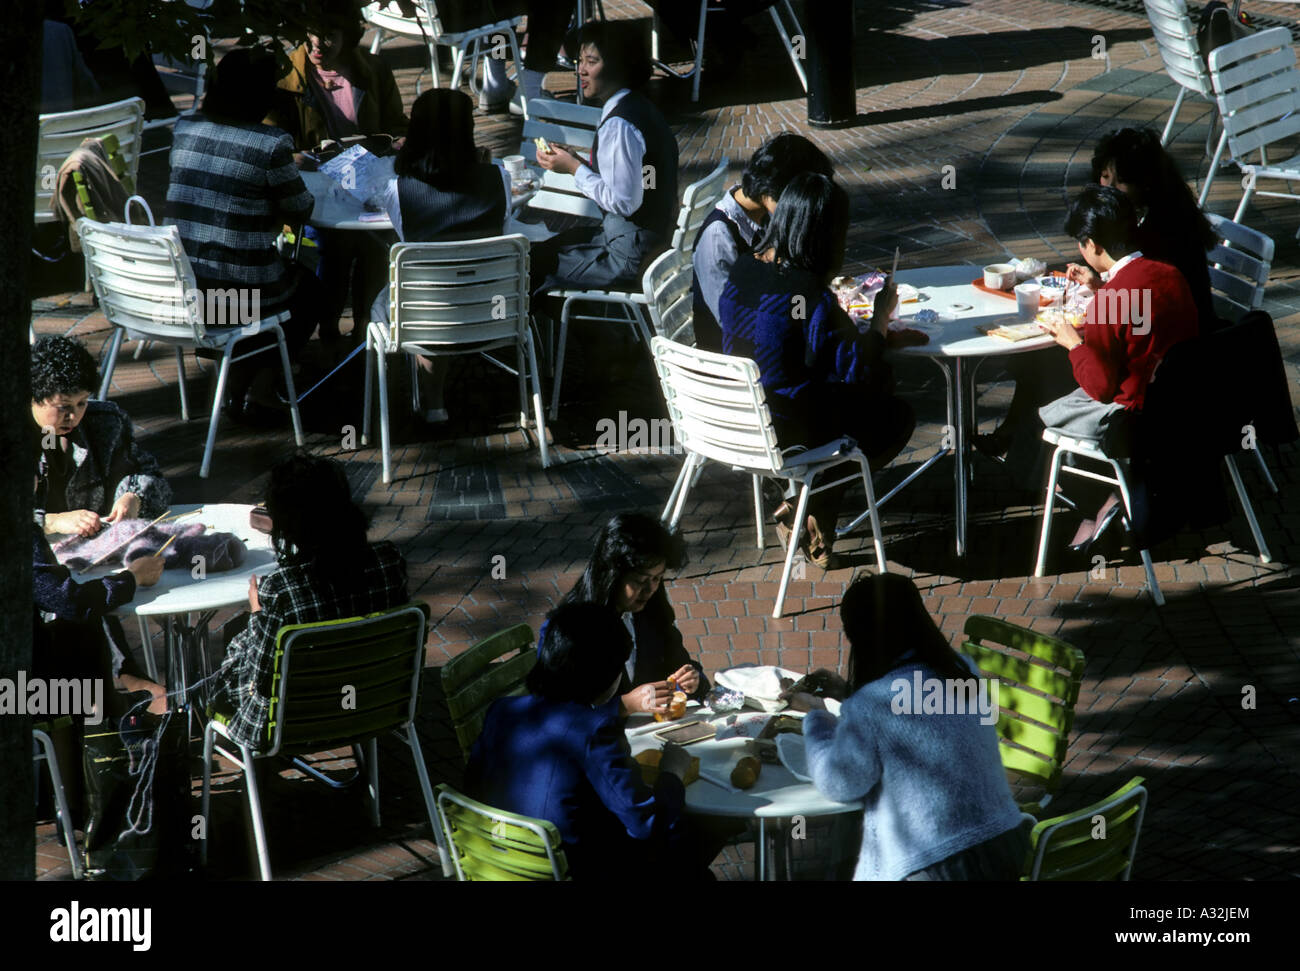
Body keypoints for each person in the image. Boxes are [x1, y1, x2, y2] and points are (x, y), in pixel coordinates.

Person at [978, 127, 1219, 474]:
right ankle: (1019, 445)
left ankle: (1038, 466)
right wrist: (1105, 289)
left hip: (1157, 382)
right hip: (1171, 356)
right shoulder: (1145, 232)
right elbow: (1140, 304)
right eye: (1104, 177)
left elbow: (1133, 322)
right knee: (1046, 360)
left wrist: (1083, 334)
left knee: (1051, 362)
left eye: (1118, 182)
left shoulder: (1162, 235)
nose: (1107, 188)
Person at [717, 172, 915, 568]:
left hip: (735, 416)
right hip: (784, 426)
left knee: (856, 405)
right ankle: (809, 506)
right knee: (892, 413)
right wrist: (878, 322)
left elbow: (783, 342)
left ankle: (810, 514)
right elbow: (856, 369)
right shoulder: (809, 294)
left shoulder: (742, 269)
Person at [800, 573, 1029, 880]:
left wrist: (816, 719)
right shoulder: (963, 671)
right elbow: (915, 705)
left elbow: (839, 783)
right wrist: (849, 695)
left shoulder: (869, 706)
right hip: (1008, 847)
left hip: (935, 867)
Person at [465, 601, 698, 880]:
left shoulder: (501, 711)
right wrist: (672, 773)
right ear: (605, 678)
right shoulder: (593, 732)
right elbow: (645, 823)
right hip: (568, 869)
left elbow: (472, 788)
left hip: (494, 866)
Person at [1036, 184, 1199, 549]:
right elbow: (1143, 323)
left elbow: (1101, 386)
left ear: (1093, 244)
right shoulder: (1169, 273)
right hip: (1186, 404)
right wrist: (1102, 287)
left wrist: (1073, 343)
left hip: (1138, 420)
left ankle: (1099, 498)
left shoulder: (1111, 299)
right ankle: (1108, 498)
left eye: (1081, 242)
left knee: (1048, 414)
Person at [210, 454, 407, 749]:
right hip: (374, 706)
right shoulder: (389, 560)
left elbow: (261, 681)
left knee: (227, 664)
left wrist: (256, 614)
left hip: (291, 724)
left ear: (285, 526)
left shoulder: (280, 591)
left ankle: (260, 785)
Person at [167, 48, 318, 425]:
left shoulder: (185, 126)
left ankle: (236, 381)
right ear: (262, 95)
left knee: (270, 280)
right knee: (310, 292)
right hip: (229, 304)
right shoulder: (270, 144)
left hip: (183, 295)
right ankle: (260, 389)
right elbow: (301, 208)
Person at [270, 0, 409, 343]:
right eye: (311, 35)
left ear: (348, 37)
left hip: (367, 179)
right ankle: (329, 328)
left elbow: (395, 123)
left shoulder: (373, 69)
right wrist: (293, 156)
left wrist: (400, 139)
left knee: (377, 242)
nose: (317, 45)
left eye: (328, 38)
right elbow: (269, 139)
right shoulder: (286, 76)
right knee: (338, 244)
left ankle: (365, 326)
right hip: (314, 186)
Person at [369, 88, 510, 423]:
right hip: (490, 309)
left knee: (401, 289)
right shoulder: (498, 177)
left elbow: (370, 197)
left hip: (424, 311)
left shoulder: (396, 188)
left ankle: (413, 403)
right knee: (447, 279)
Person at [529, 20, 680, 299]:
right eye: (579, 60)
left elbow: (624, 201)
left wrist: (573, 168)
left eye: (591, 61)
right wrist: (577, 162)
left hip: (626, 256)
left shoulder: (619, 125)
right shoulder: (641, 107)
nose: (580, 70)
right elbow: (632, 183)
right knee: (544, 251)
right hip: (651, 242)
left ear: (617, 66)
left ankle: (550, 340)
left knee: (529, 266)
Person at [692, 132, 834, 351]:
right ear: (777, 191)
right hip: (734, 359)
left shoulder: (765, 215)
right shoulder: (718, 236)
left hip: (770, 332)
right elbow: (731, 321)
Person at [557, 512, 709, 716]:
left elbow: (681, 662)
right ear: (611, 576)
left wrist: (693, 679)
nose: (650, 590)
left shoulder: (649, 611)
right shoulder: (571, 628)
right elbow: (561, 716)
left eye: (657, 578)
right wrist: (626, 705)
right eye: (640, 580)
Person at [31, 336, 171, 539]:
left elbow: (153, 479)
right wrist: (52, 521)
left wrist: (134, 498)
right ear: (33, 397)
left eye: (82, 403)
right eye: (63, 407)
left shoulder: (105, 423)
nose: (74, 416)